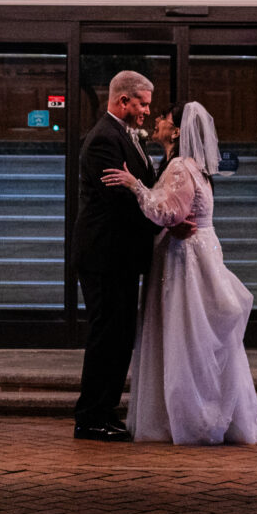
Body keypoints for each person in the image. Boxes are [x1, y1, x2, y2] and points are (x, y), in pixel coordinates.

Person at [102, 102, 257, 446]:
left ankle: (189, 417)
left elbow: (167, 213)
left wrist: (135, 186)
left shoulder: (181, 166)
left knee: (183, 335)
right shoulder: (190, 166)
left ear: (177, 130)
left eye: (163, 118)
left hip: (185, 261)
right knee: (191, 336)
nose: (156, 120)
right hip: (198, 252)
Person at [70, 70, 187, 442]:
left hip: (119, 256)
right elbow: (119, 201)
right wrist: (163, 224)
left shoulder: (125, 135)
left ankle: (106, 410)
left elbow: (142, 188)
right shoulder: (104, 139)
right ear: (124, 101)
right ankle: (90, 417)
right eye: (143, 104)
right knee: (106, 335)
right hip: (104, 255)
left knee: (120, 336)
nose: (148, 112)